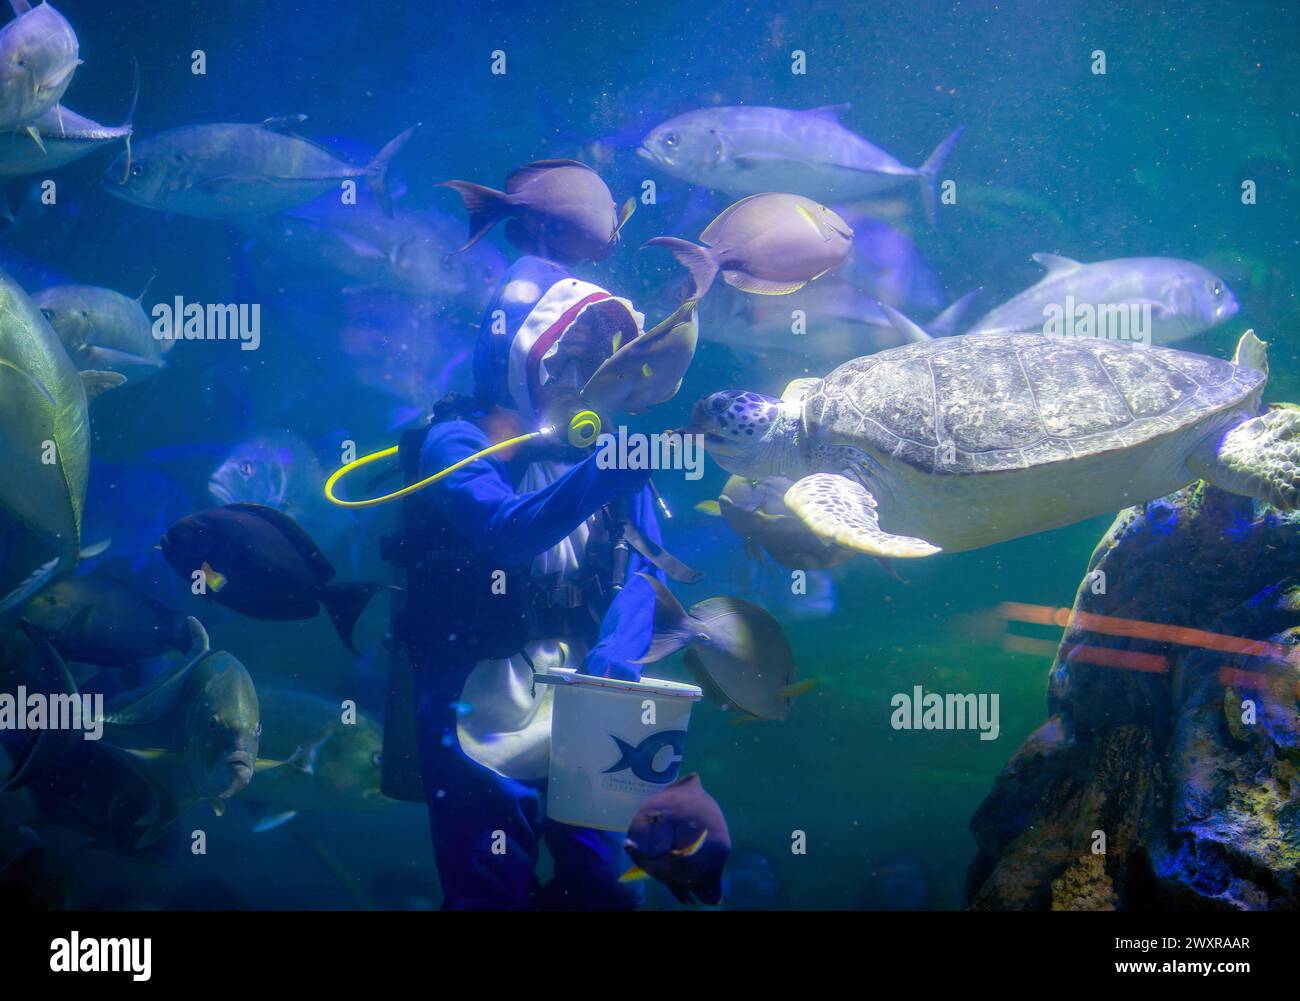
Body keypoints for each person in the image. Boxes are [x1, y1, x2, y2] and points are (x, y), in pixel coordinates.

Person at [385, 254, 669, 910]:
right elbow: (506, 531)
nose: (578, 383)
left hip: (593, 700)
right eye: (563, 363)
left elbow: (653, 565)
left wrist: (619, 652)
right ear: (515, 360)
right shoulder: (455, 441)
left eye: (593, 366)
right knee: (489, 891)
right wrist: (608, 471)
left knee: (608, 891)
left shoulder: (606, 451)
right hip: (477, 697)